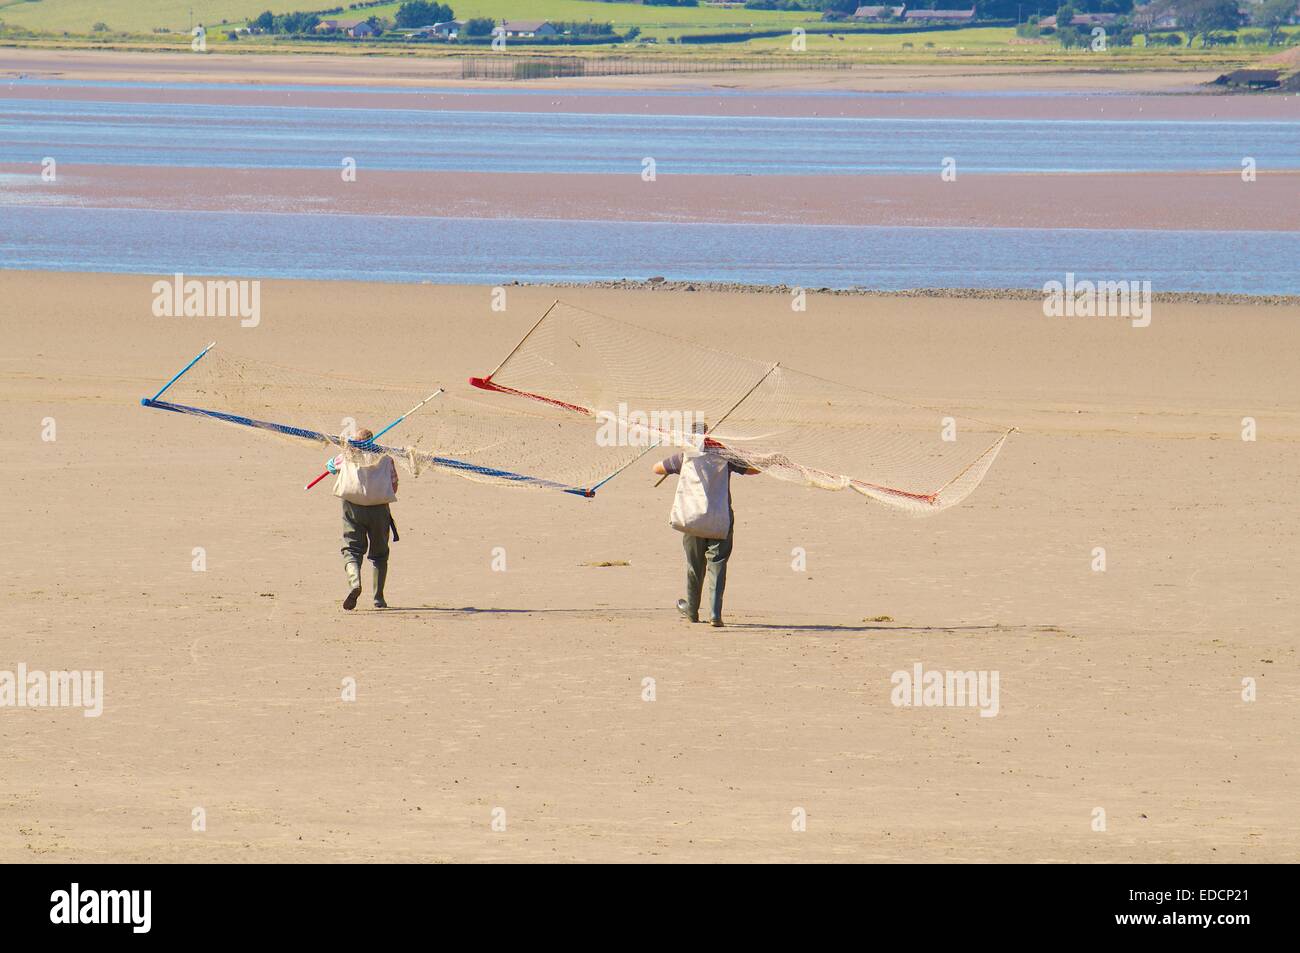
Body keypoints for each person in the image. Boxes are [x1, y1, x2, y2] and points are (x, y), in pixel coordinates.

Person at [653, 437, 759, 627]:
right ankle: (715, 614)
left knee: (694, 565)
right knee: (717, 564)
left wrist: (677, 467)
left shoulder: (685, 457)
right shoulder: (724, 456)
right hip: (720, 518)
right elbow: (753, 470)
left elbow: (657, 468)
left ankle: (692, 612)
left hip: (693, 519)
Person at [325, 429, 399, 610]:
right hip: (379, 510)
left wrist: (333, 464)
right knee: (380, 555)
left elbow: (330, 466)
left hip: (352, 507)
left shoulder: (346, 457)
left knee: (351, 549)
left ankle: (354, 583)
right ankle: (378, 598)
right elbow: (394, 485)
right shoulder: (386, 458)